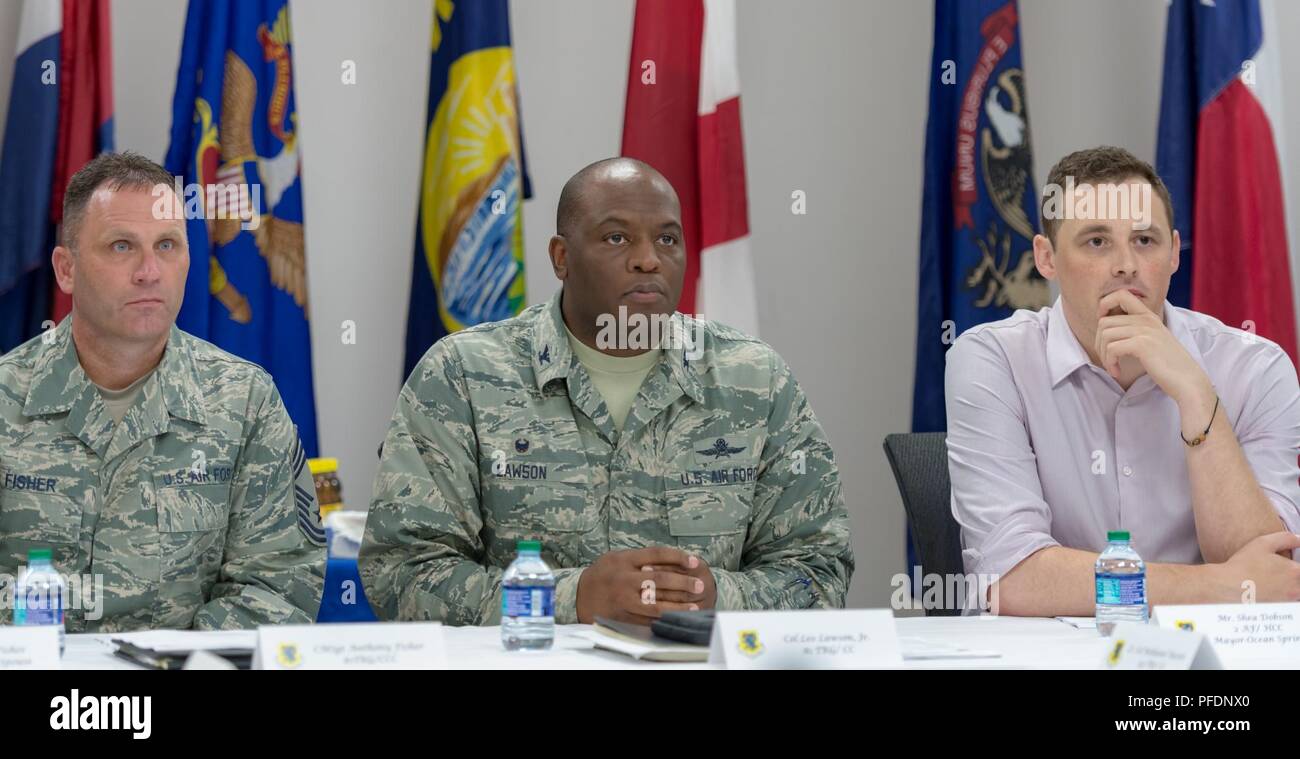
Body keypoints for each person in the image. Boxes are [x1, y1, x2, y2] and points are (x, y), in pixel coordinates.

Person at [361, 157, 853, 624]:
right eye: (616, 238)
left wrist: (715, 598)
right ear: (561, 257)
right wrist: (569, 600)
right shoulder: (464, 376)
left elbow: (818, 569)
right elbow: (400, 573)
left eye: (667, 240)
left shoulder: (754, 379)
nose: (647, 260)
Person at [946, 145, 1300, 615]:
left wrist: (1195, 394)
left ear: (1175, 252)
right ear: (1046, 258)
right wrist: (1221, 588)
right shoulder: (994, 360)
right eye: (1096, 241)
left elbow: (1270, 578)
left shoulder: (1257, 369)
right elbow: (1012, 579)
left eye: (1145, 241)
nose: (1126, 265)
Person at [0, 151, 324, 631]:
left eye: (167, 245)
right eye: (121, 247)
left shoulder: (246, 402)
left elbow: (280, 585)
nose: (149, 271)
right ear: (66, 269)